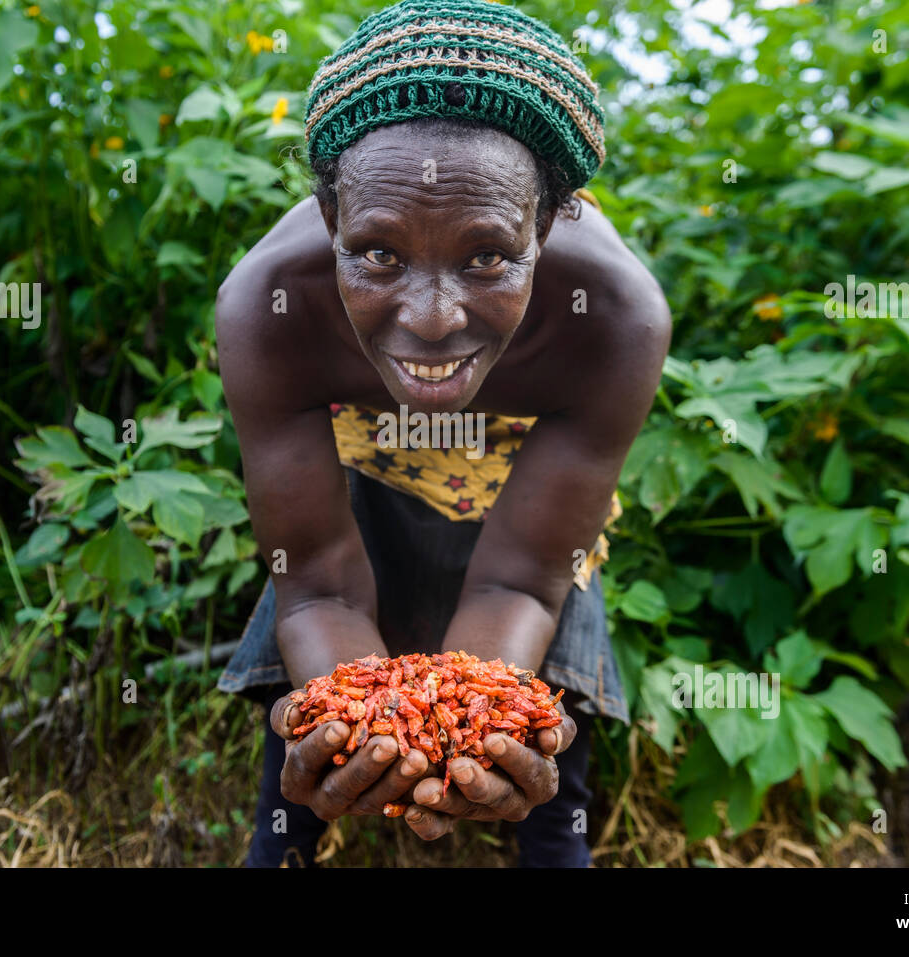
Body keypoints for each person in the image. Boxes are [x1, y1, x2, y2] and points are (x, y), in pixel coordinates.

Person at [215, 0, 671, 867]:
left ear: (549, 223)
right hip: (363, 473)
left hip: (532, 493)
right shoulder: (267, 309)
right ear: (327, 214)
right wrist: (366, 716)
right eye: (378, 254)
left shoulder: (613, 320)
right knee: (304, 768)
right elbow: (316, 587)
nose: (430, 320)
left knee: (545, 774)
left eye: (488, 258)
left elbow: (525, 584)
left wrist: (471, 724)